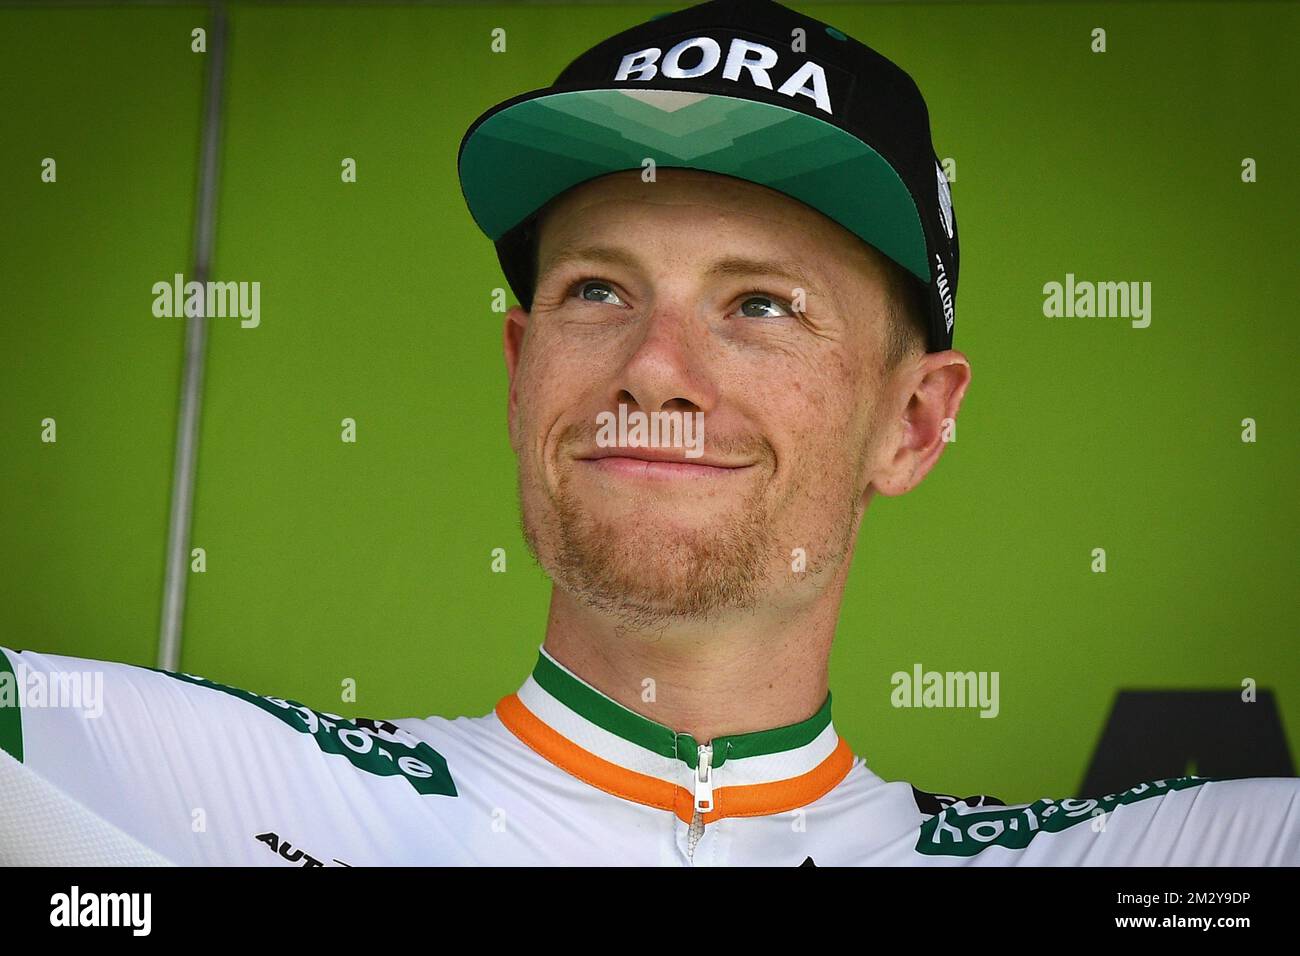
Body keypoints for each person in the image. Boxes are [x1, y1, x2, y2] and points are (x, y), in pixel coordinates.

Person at [1, 0, 1296, 867]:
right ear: (521, 372)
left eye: (762, 304)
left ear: (913, 422)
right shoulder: (156, 795)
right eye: (598, 291)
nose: (657, 370)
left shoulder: (1160, 866)